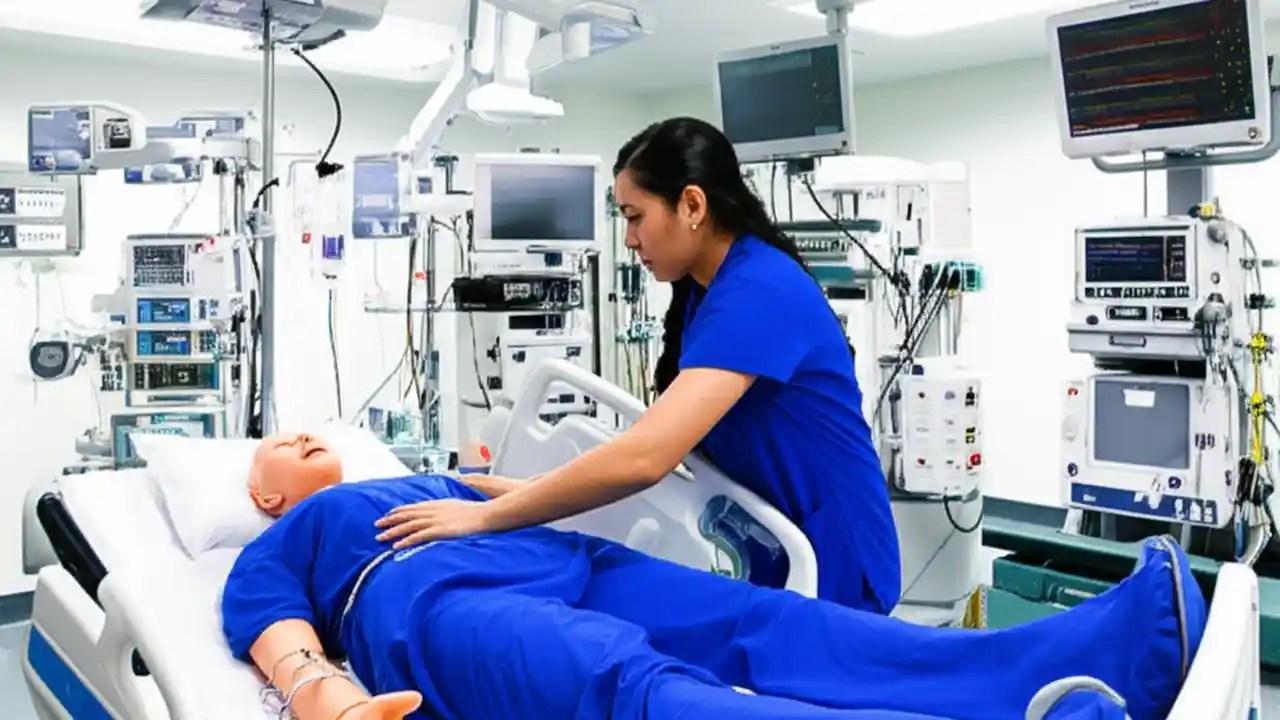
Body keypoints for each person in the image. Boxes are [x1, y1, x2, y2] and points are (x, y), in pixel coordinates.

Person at [222, 432, 1204, 720]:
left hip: (561, 552)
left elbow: (529, 488)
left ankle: (1058, 668)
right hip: (426, 596)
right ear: (263, 497)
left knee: (762, 621)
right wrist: (324, 697)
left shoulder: (408, 473)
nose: (300, 437)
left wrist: (511, 488)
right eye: (274, 447)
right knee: (617, 678)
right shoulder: (292, 537)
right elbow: (277, 633)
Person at [374, 117, 901, 614]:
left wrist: (488, 516)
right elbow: (662, 450)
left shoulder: (760, 290)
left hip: (836, 554)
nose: (628, 239)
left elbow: (647, 457)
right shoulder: (704, 292)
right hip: (775, 545)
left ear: (691, 205)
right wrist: (526, 494)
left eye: (634, 217)